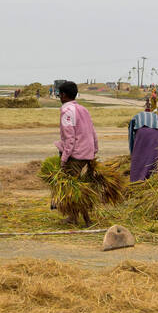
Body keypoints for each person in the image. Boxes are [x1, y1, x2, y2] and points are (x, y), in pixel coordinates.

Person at [55, 80, 99, 225]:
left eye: (60, 94)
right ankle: (75, 217)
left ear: (63, 95)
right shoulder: (83, 109)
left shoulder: (67, 111)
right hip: (87, 152)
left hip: (76, 154)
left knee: (73, 187)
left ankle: (84, 219)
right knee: (77, 185)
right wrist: (95, 150)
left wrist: (64, 159)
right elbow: (92, 131)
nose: (59, 97)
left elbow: (70, 138)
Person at [128, 105, 158, 182]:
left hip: (142, 133)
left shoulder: (136, 117)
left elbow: (131, 137)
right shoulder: (157, 117)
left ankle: (137, 179)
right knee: (155, 155)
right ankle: (154, 178)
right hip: (157, 134)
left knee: (139, 157)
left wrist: (133, 153)